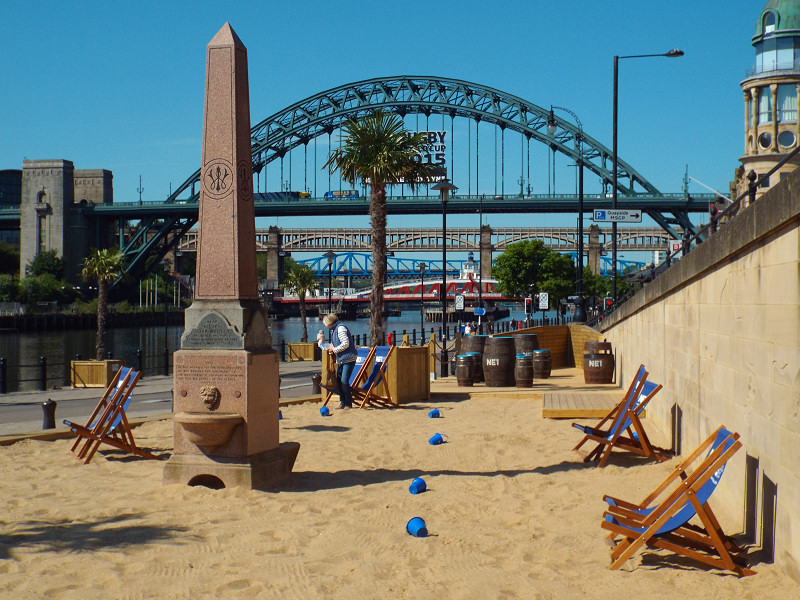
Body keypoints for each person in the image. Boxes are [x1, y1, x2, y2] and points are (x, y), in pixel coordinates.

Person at [322, 313, 356, 409]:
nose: (327, 327)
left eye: (327, 325)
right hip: (341, 359)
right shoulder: (334, 330)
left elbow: (346, 343)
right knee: (339, 381)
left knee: (344, 381)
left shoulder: (340, 329)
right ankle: (342, 402)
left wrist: (334, 350)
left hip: (348, 358)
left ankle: (348, 403)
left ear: (330, 323)